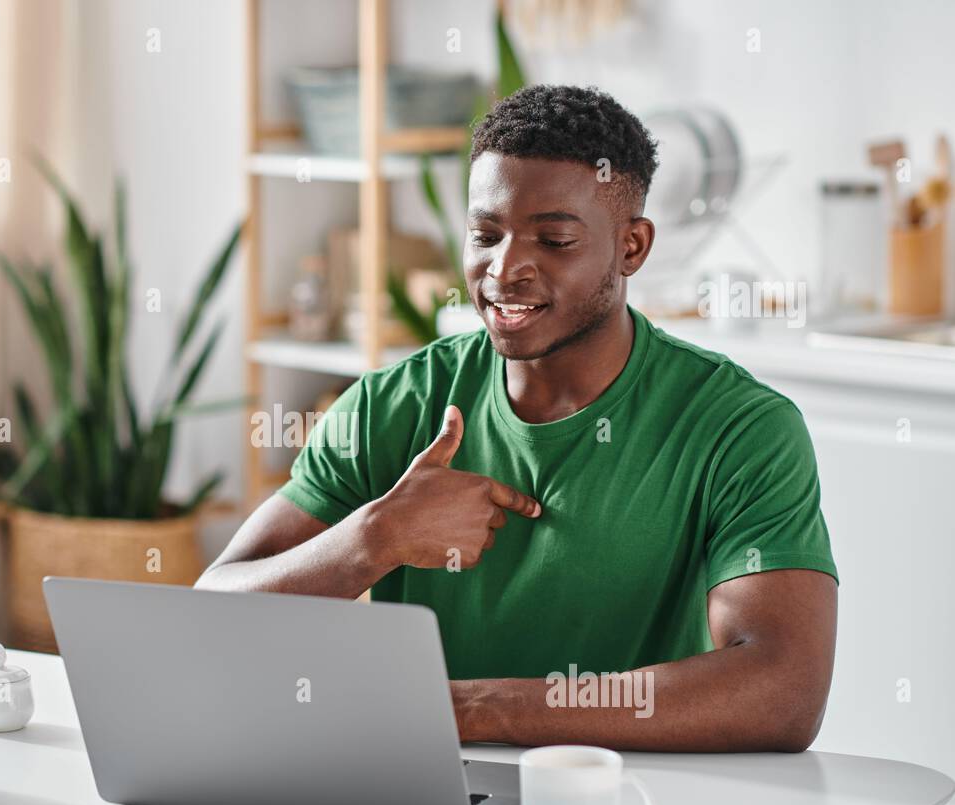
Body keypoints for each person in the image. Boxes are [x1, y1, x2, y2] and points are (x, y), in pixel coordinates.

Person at [197, 84, 838, 753]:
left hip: (634, 803)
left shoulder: (739, 428)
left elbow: (783, 688)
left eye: (554, 239)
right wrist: (377, 537)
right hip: (423, 792)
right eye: (485, 235)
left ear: (632, 247)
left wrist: (484, 710)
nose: (505, 270)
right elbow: (207, 619)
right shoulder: (394, 405)